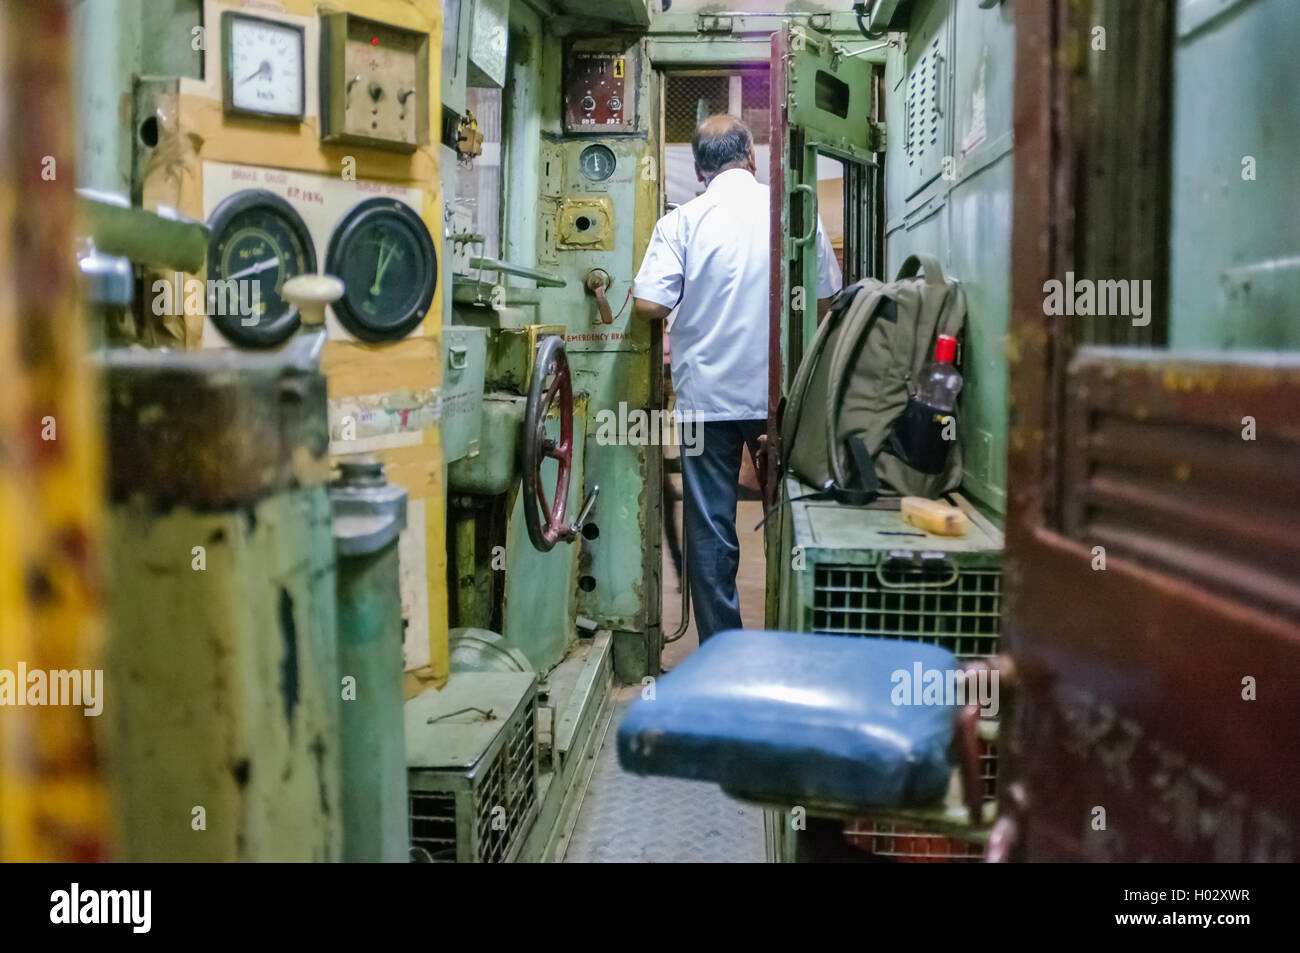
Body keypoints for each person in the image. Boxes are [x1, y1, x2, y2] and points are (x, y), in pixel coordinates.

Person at [632, 114, 841, 642]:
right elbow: (825, 295)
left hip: (706, 398)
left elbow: (649, 304)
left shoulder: (681, 222)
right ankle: (797, 643)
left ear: (700, 171)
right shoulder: (792, 211)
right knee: (795, 516)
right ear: (751, 156)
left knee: (710, 528)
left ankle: (723, 651)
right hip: (779, 396)